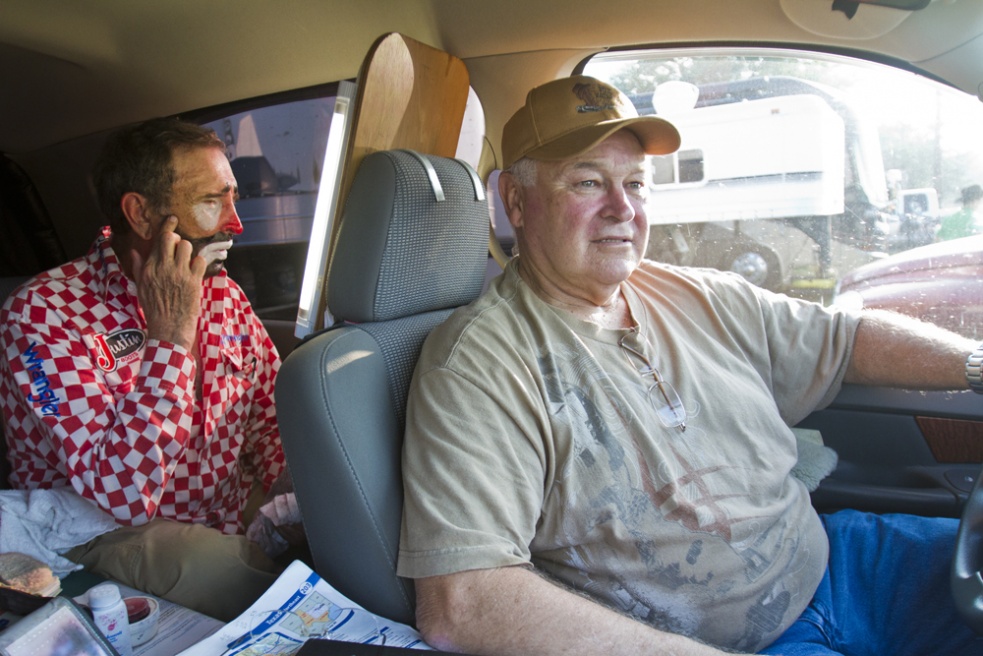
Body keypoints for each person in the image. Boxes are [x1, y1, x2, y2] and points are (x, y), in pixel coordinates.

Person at [397, 76, 983, 655]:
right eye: (587, 182)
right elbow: (464, 602)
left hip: (842, 563)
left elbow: (844, 337)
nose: (621, 208)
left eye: (636, 183)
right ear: (517, 202)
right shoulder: (478, 364)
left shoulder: (699, 294)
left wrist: (977, 364)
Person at [0, 118, 296, 621]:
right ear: (140, 214)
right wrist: (171, 335)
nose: (235, 222)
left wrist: (297, 503)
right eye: (211, 202)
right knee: (234, 574)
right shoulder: (43, 313)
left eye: (234, 199)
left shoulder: (225, 296)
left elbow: (269, 422)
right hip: (104, 527)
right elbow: (124, 496)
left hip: (223, 508)